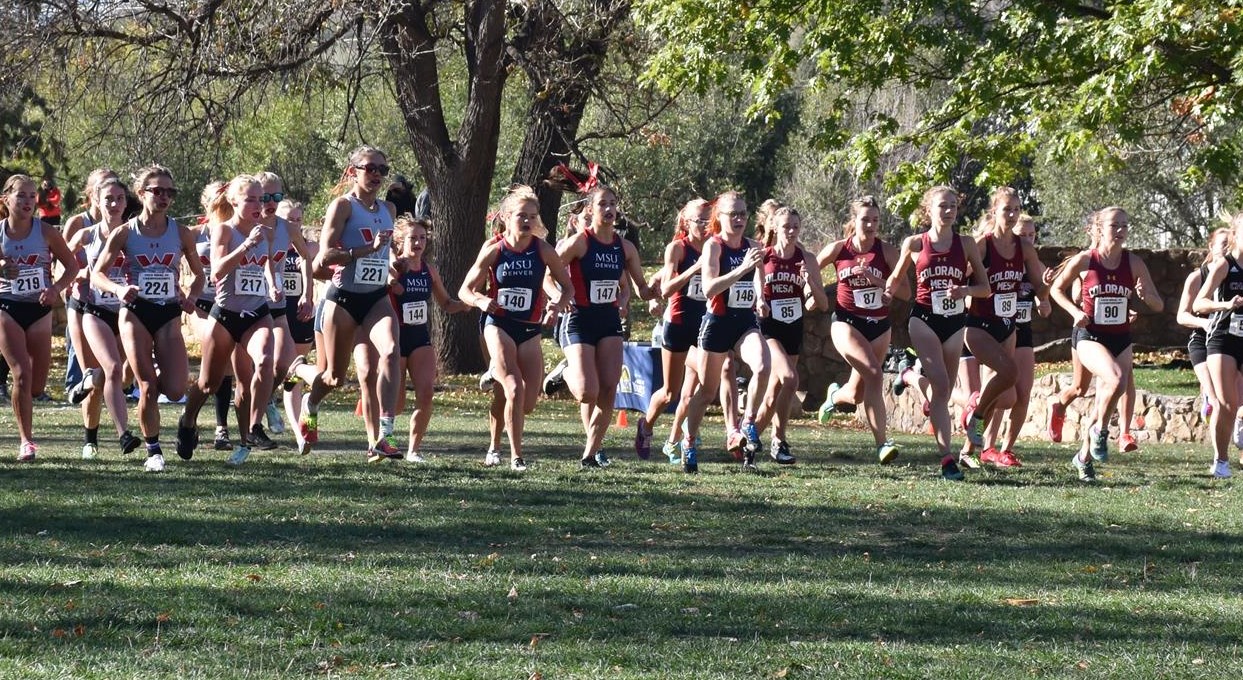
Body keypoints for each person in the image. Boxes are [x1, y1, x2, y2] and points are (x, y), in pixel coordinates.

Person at [289, 146, 401, 461]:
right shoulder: (343, 207)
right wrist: (364, 250)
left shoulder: (389, 210)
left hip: (376, 297)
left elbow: (383, 253)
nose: (377, 173)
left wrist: (392, 265)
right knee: (333, 378)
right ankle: (306, 389)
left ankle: (385, 436)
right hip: (343, 299)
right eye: (370, 168)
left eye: (382, 168)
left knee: (391, 352)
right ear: (353, 171)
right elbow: (323, 256)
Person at [92, 165, 204, 472]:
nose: (165, 197)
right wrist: (118, 288)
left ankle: (186, 421)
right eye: (158, 191)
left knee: (177, 390)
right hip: (135, 312)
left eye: (170, 192)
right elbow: (97, 274)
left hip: (168, 312)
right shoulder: (125, 233)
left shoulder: (181, 233)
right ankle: (153, 450)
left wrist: (191, 295)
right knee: (148, 386)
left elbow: (199, 275)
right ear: (142, 194)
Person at [459, 186, 571, 470]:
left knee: (527, 401)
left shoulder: (543, 250)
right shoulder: (495, 250)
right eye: (522, 215)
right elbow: (464, 291)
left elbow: (567, 288)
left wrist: (556, 306)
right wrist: (482, 300)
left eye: (532, 217)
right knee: (513, 388)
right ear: (507, 217)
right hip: (499, 325)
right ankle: (515, 457)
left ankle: (494, 444)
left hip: (530, 329)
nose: (527, 221)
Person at [883, 186, 990, 481]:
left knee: (940, 392)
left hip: (955, 322)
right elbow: (895, 279)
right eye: (942, 206)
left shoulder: (966, 244)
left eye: (953, 206)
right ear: (928, 210)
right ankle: (947, 459)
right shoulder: (915, 243)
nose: (949, 211)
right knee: (942, 386)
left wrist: (963, 290)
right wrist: (888, 290)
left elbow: (985, 288)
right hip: (924, 319)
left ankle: (909, 375)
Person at [1052, 207, 1162, 482]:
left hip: (1120, 337)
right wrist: (1075, 313)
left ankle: (1084, 458)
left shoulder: (1134, 262)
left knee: (1107, 396)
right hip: (1090, 335)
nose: (1121, 230)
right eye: (1115, 225)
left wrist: (1145, 296)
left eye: (1125, 225)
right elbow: (1056, 289)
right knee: (1114, 380)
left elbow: (1159, 304)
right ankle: (1100, 431)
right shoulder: (1085, 260)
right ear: (1100, 228)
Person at [177, 175, 279, 466]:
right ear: (234, 201)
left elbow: (268, 262)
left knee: (261, 363)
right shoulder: (224, 231)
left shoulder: (265, 231)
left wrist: (272, 282)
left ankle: (249, 435)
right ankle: (188, 420)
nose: (258, 205)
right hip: (225, 314)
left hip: (257, 312)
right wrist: (247, 245)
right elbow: (217, 271)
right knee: (209, 383)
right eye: (251, 199)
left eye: (261, 199)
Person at [557, 185, 654, 468]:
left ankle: (590, 453)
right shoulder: (579, 243)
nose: (609, 209)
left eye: (613, 204)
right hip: (580, 318)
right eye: (602, 204)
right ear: (591, 209)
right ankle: (566, 371)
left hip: (609, 321)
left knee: (609, 388)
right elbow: (548, 270)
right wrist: (558, 296)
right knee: (588, 391)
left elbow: (640, 288)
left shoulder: (625, 248)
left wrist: (654, 293)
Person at [679, 191, 772, 473]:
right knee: (707, 392)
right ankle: (689, 440)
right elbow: (709, 288)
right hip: (716, 323)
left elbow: (758, 277)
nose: (739, 218)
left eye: (743, 213)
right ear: (719, 218)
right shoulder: (713, 247)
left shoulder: (753, 245)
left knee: (764, 365)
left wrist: (762, 299)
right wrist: (740, 268)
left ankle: (748, 423)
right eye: (733, 214)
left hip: (744, 322)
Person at [960, 188, 1049, 467]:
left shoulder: (1024, 247)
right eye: (1006, 209)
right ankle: (975, 414)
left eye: (1015, 209)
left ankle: (967, 449)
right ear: (994, 212)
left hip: (1007, 326)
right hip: (979, 326)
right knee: (1009, 372)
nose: (1011, 215)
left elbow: (1039, 287)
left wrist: (1048, 282)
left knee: (1008, 396)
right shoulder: (982, 245)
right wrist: (967, 290)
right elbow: (962, 280)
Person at [816, 196, 903, 463]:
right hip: (847, 323)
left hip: (879, 325)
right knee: (875, 374)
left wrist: (877, 281)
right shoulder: (839, 249)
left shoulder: (887, 251)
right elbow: (808, 269)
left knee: (856, 394)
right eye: (865, 219)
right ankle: (882, 444)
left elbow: (905, 292)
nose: (871, 225)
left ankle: (834, 395)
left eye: (876, 220)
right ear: (854, 221)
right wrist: (810, 290)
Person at [0, 174, 80, 461]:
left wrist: (56, 288)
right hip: (6, 306)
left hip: (40, 309)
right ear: (6, 199)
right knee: (21, 374)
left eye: (33, 196)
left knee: (35, 385)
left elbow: (72, 266)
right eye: (21, 195)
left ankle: (25, 403)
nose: (28, 201)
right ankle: (26, 441)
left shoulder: (46, 232)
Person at [65, 176, 142, 459]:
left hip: (126, 312)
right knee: (111, 370)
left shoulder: (134, 234)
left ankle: (85, 381)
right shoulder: (87, 234)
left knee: (117, 377)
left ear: (126, 202)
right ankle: (100, 439)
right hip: (90, 309)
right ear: (96, 201)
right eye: (107, 198)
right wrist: (80, 274)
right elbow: (62, 265)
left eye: (119, 199)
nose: (113, 203)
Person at [390, 216, 468, 462]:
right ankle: (384, 439)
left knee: (426, 393)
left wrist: (468, 303)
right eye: (413, 238)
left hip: (420, 337)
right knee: (397, 402)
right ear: (402, 240)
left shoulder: (428, 270)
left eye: (422, 238)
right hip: (395, 337)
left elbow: (445, 302)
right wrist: (391, 282)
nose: (418, 243)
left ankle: (413, 450)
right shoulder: (394, 266)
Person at [754, 203, 827, 463]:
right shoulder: (763, 256)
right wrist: (760, 301)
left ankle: (750, 438)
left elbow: (820, 303)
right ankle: (778, 439)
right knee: (791, 378)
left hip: (792, 328)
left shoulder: (807, 258)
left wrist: (808, 283)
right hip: (768, 327)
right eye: (786, 226)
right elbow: (754, 292)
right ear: (775, 227)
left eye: (796, 226)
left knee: (775, 392)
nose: (792, 231)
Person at [638, 199, 710, 463]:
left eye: (708, 220)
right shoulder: (677, 249)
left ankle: (683, 438)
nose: (705, 226)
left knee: (707, 380)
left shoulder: (716, 246)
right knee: (670, 392)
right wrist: (694, 268)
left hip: (705, 326)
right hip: (679, 324)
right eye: (699, 221)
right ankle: (646, 425)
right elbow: (667, 288)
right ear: (686, 222)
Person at [254, 172, 316, 447]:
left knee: (289, 367)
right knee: (257, 367)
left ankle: (297, 430)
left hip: (282, 307)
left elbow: (307, 257)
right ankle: (243, 426)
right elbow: (265, 262)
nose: (270, 202)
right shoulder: (246, 226)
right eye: (266, 197)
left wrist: (308, 293)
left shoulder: (287, 231)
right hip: (248, 307)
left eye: (276, 197)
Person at [62, 168, 120, 408]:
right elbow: (63, 259)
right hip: (82, 294)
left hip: (111, 298)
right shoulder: (78, 223)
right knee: (80, 350)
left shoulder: (122, 225)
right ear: (92, 194)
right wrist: (83, 274)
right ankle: (76, 385)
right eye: (102, 188)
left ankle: (111, 385)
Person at [1194, 213, 1243, 478]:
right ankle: (1221, 460)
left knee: (1237, 405)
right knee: (1227, 402)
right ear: (1235, 235)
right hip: (1222, 337)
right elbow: (1198, 304)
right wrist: (1225, 305)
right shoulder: (1225, 265)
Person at [275, 199, 318, 455]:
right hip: (274, 314)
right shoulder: (271, 243)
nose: (294, 224)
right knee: (282, 369)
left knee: (294, 374)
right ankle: (269, 408)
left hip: (301, 313)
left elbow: (326, 263)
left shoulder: (309, 248)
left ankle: (298, 431)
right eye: (289, 219)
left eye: (298, 219)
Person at [1177, 228, 1229, 435]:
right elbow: (1182, 316)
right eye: (1223, 244)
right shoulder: (1197, 277)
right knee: (1216, 400)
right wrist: (1204, 323)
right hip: (1202, 342)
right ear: (1211, 246)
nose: (1227, 248)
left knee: (1231, 399)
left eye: (1230, 244)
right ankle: (1220, 460)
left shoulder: (1237, 273)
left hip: (1230, 341)